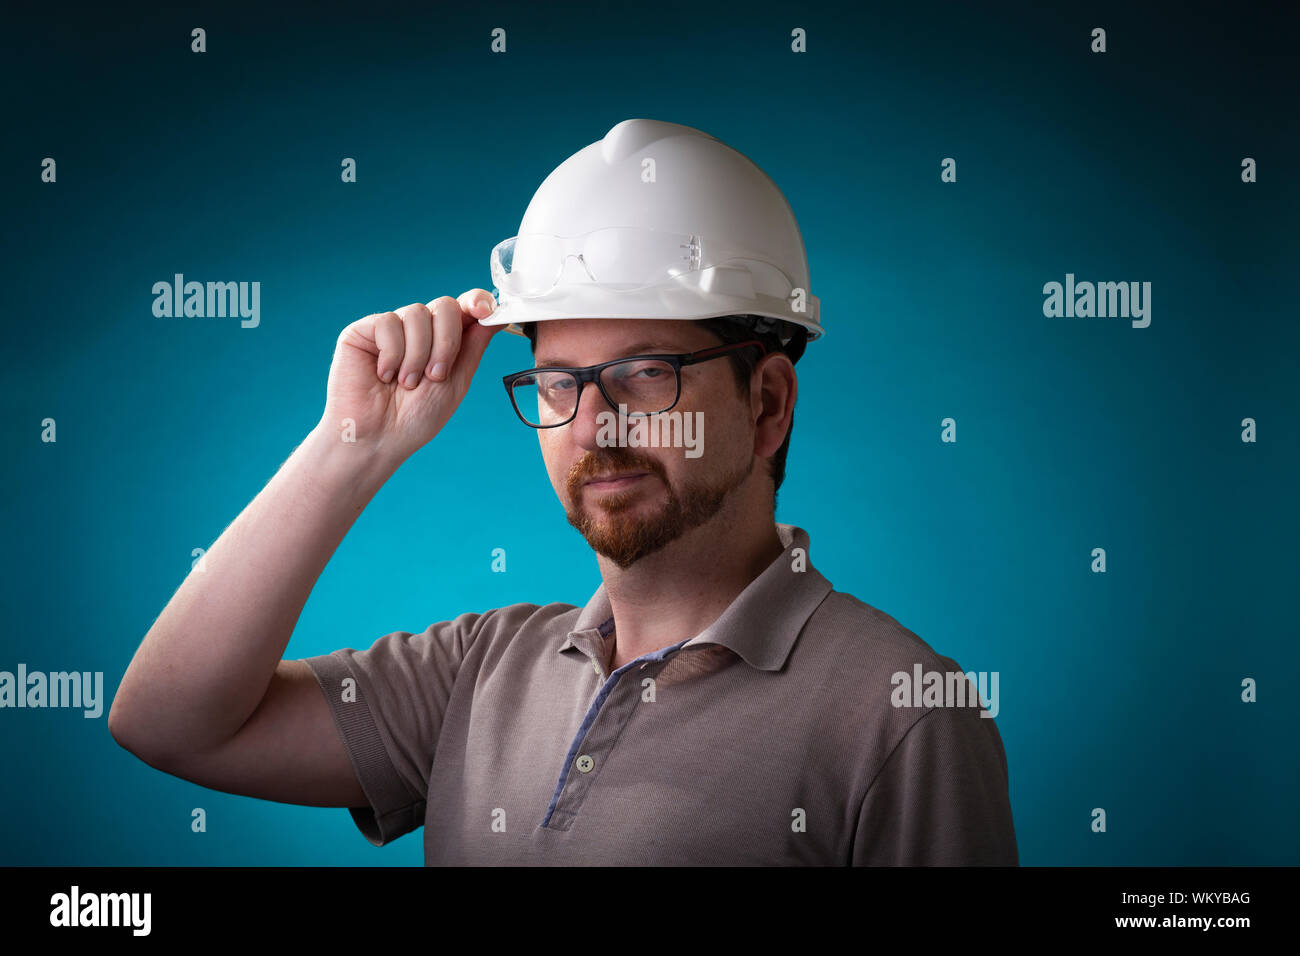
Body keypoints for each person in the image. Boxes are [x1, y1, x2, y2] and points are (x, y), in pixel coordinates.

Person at [110, 119, 1018, 865]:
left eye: (646, 373)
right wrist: (353, 447)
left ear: (768, 403)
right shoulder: (480, 670)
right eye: (558, 383)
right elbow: (168, 723)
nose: (593, 423)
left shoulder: (902, 712)